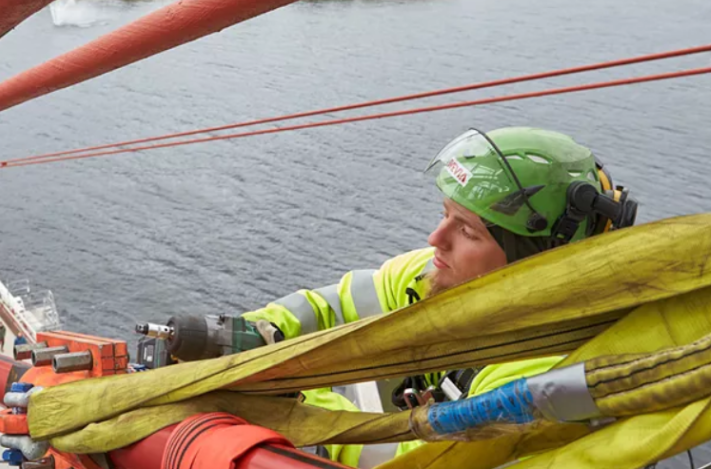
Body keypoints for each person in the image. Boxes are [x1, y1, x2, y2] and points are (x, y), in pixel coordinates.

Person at [243, 127, 637, 467]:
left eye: (467, 231)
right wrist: (241, 336)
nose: (436, 239)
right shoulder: (434, 275)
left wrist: (290, 400)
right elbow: (329, 308)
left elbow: (416, 462)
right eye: (446, 213)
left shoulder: (548, 374)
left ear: (534, 261)